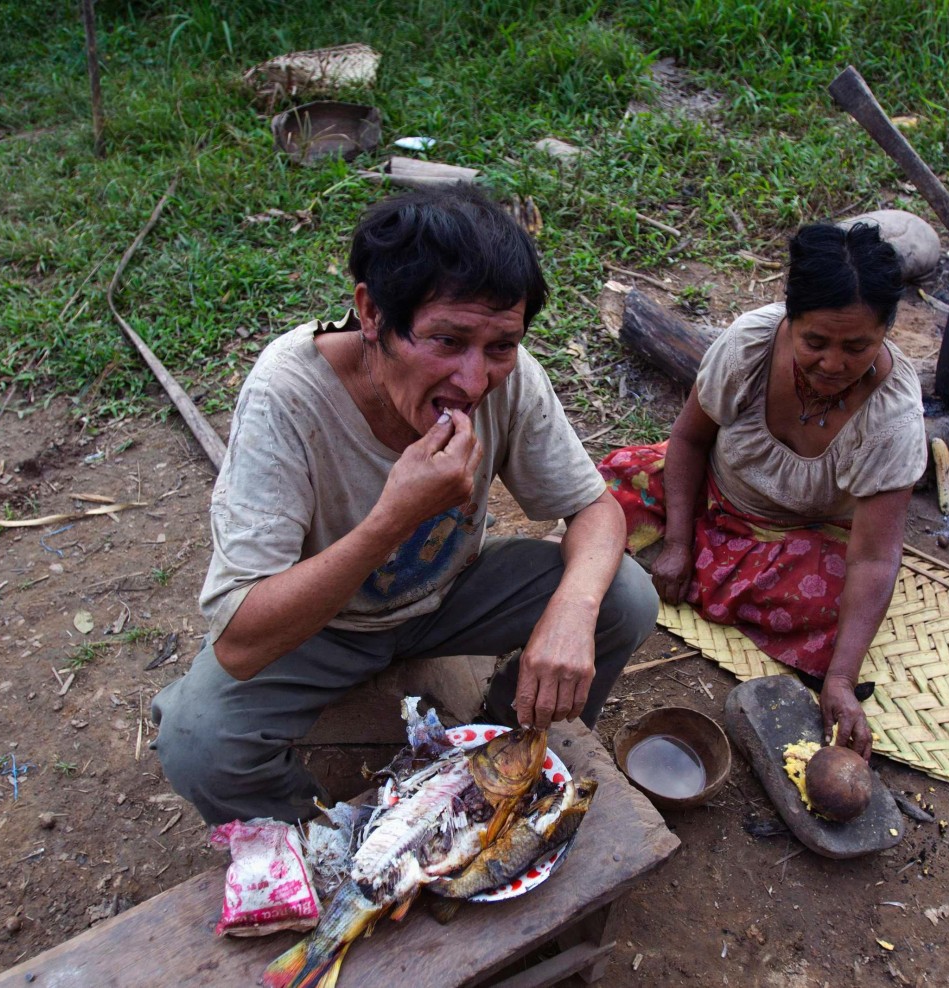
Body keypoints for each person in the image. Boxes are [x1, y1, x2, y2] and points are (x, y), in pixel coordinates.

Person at [153, 185, 658, 826]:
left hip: (447, 598)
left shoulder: (508, 372)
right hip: (321, 628)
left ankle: (499, 761)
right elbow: (241, 644)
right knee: (199, 744)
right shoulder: (287, 396)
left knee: (624, 598)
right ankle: (329, 841)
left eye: (500, 345)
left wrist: (572, 612)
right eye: (445, 341)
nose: (474, 381)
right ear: (371, 312)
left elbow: (595, 509)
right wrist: (394, 516)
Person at [599, 222, 925, 760]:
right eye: (815, 342)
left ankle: (703, 572)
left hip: (796, 537)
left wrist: (841, 681)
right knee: (610, 487)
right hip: (710, 492)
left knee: (837, 599)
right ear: (790, 320)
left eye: (857, 346)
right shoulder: (751, 342)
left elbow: (874, 557)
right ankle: (700, 563)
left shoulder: (893, 418)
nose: (833, 364)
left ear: (887, 329)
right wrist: (679, 541)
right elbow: (688, 439)